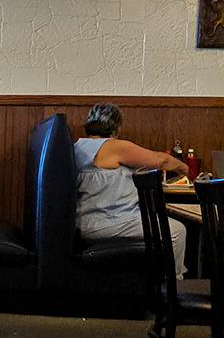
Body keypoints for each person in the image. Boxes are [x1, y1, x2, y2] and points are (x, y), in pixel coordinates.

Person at [75, 103, 189, 277]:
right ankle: (173, 286)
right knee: (177, 231)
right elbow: (160, 161)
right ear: (116, 127)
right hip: (110, 221)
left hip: (85, 221)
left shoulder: (78, 146)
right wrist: (183, 169)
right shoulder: (113, 146)